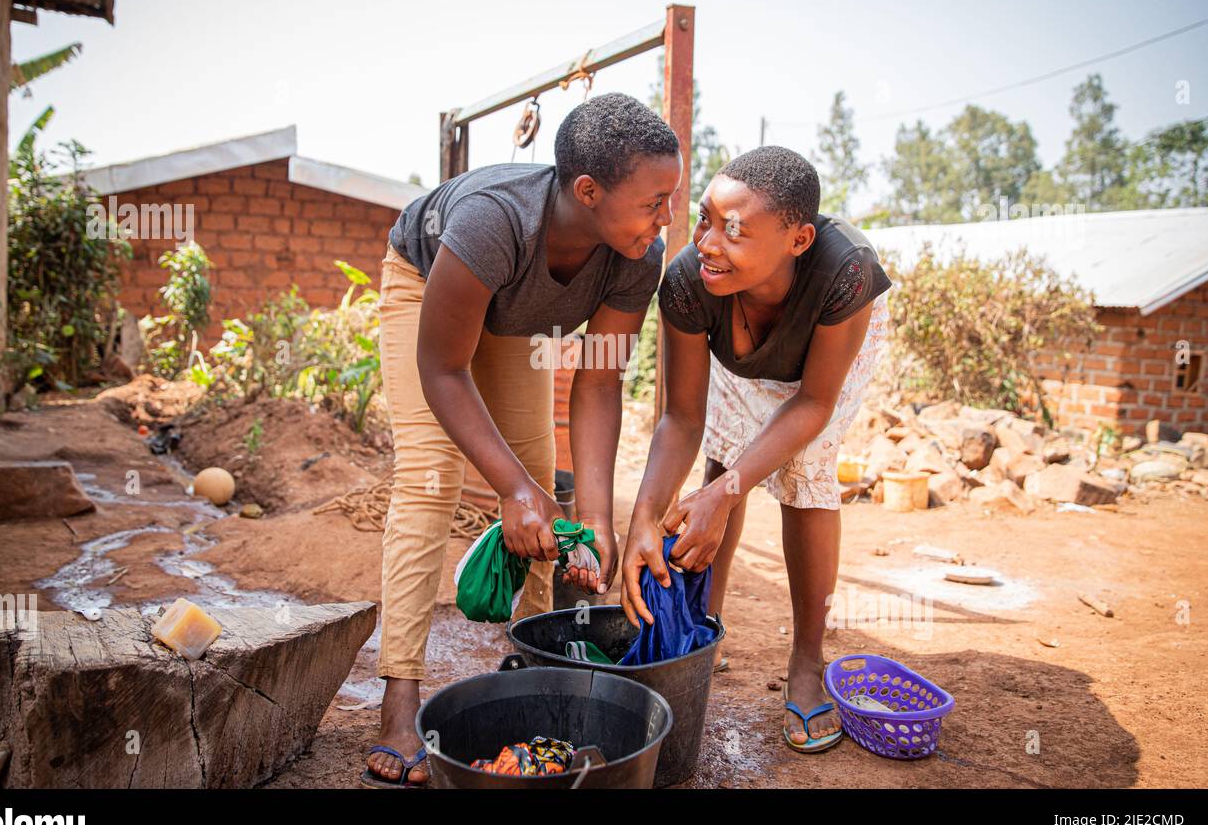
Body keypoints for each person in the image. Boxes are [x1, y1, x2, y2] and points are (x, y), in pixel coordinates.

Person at [363, 92, 683, 785]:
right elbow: (442, 368)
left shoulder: (635, 255)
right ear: (589, 190)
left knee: (543, 482)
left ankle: (538, 676)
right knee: (431, 478)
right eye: (654, 201)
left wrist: (594, 520)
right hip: (430, 287)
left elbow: (598, 382)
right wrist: (508, 489)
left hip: (515, 315)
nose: (668, 218)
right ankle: (399, 695)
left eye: (671, 199)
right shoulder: (493, 221)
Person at [620, 145, 891, 754]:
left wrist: (730, 488)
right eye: (707, 219)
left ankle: (806, 659)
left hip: (832, 353)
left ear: (797, 241)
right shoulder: (693, 282)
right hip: (744, 363)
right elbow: (683, 416)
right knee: (724, 452)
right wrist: (643, 518)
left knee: (805, 467)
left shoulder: (845, 273)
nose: (709, 242)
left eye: (734, 231)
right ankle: (703, 630)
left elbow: (814, 403)